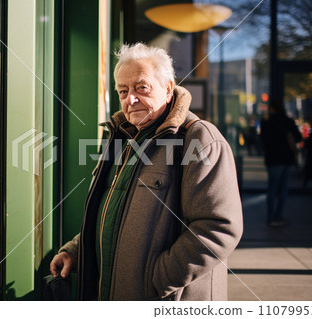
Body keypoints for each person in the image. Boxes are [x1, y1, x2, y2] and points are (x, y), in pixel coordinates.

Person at [50, 43, 243, 301]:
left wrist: (158, 279)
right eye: (123, 91)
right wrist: (76, 251)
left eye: (142, 87)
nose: (131, 99)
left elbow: (219, 227)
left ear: (167, 89)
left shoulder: (198, 138)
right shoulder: (122, 139)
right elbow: (112, 212)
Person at [261, 100, 302, 227]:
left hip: (273, 160)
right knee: (283, 189)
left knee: (272, 189)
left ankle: (271, 217)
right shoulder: (288, 121)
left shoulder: (268, 122)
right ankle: (279, 216)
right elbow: (299, 137)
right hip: (287, 159)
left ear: (272, 109)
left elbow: (263, 139)